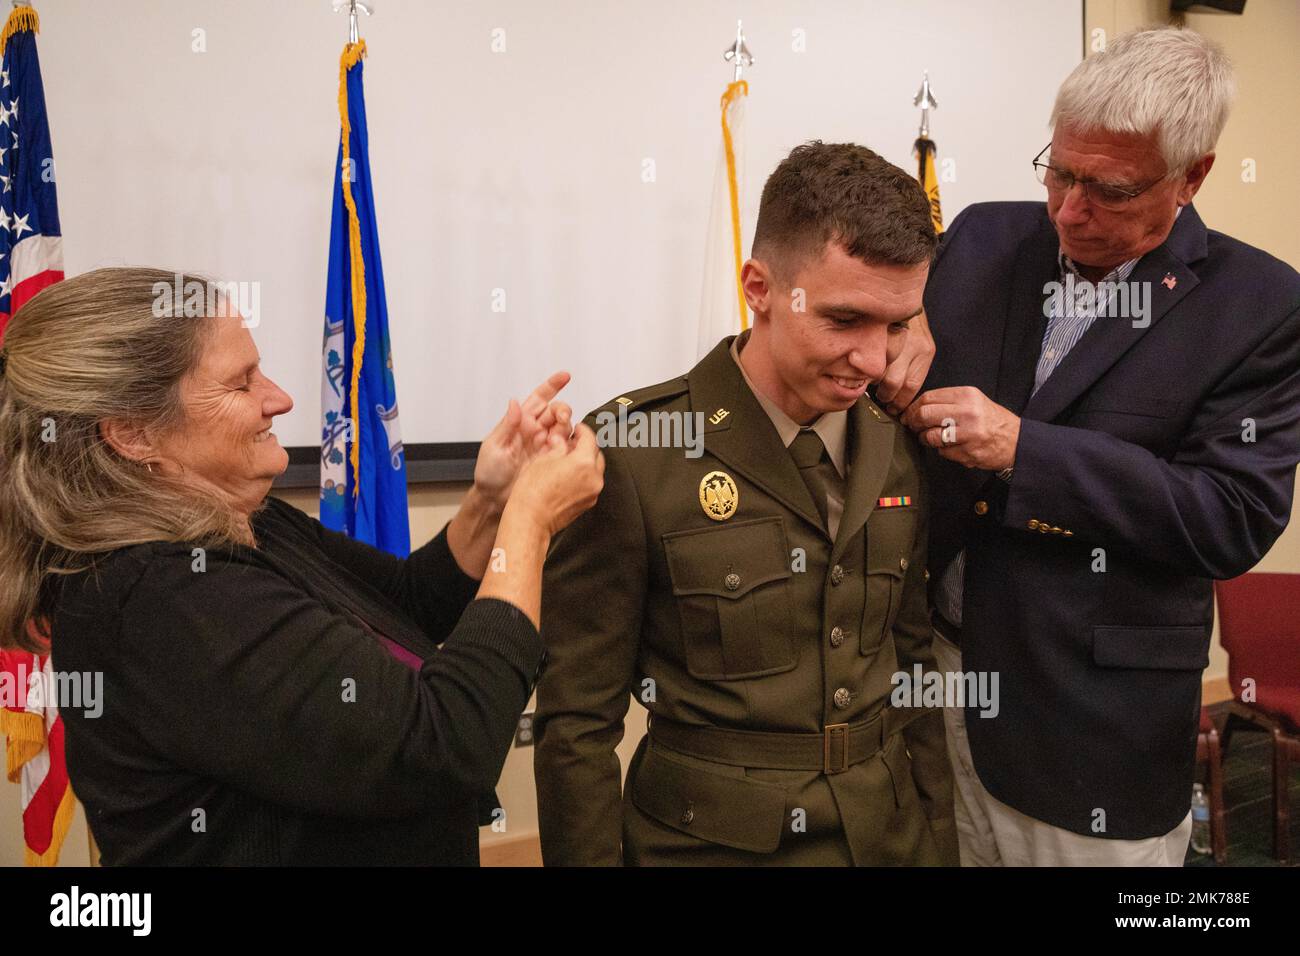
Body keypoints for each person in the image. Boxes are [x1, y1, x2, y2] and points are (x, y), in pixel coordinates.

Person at [0, 266, 604, 865]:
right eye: (242, 383)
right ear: (134, 435)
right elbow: (443, 744)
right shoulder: (161, 596)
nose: (280, 398)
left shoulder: (245, 518)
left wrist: (492, 501)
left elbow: (408, 601)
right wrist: (529, 521)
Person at [900, 26, 1300, 865]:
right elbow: (898, 369)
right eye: (1059, 171)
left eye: (1110, 190)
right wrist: (891, 351)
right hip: (934, 680)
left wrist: (1023, 450)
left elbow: (1230, 518)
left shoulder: (1260, 306)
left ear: (1193, 176)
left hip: (1089, 724)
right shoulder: (978, 236)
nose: (1068, 211)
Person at [534, 142, 957, 865]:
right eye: (844, 320)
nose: (875, 361)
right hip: (708, 845)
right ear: (759, 288)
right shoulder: (636, 454)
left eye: (895, 325)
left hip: (886, 839)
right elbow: (577, 724)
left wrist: (938, 846)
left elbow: (910, 673)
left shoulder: (896, 444)